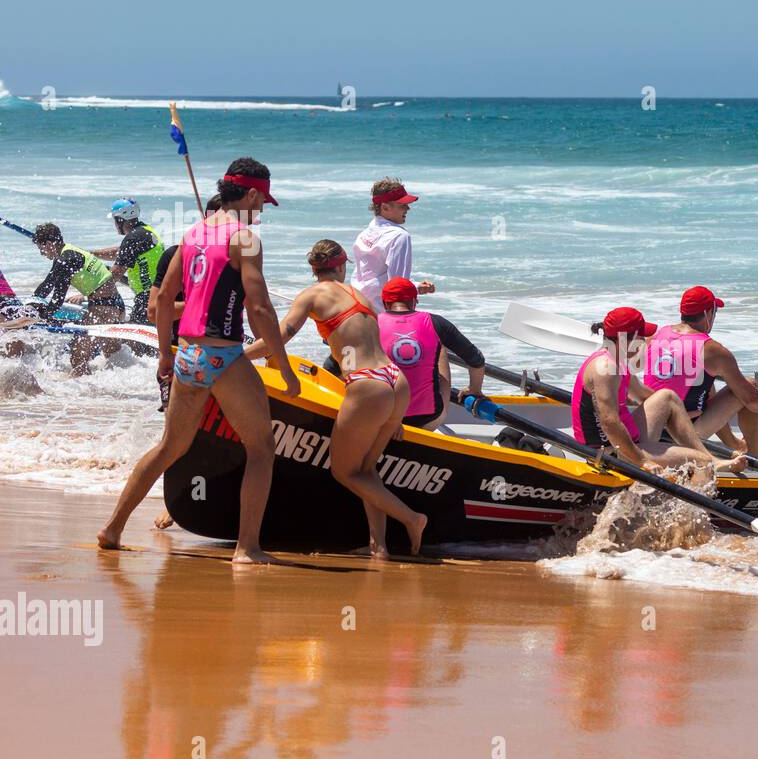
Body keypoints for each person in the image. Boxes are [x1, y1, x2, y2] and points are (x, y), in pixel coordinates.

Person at [98, 158, 298, 564]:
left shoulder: (194, 233)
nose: (261, 212)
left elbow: (161, 303)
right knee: (261, 448)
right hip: (223, 353)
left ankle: (113, 528)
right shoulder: (244, 239)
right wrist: (284, 364)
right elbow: (260, 309)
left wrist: (165, 354)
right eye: (262, 203)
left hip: (188, 354)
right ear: (253, 194)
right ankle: (247, 548)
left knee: (170, 445)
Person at [243, 241, 427, 559]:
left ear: (315, 270)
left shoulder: (313, 295)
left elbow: (280, 335)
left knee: (345, 472)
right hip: (396, 383)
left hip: (368, 386)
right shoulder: (359, 294)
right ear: (342, 267)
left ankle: (412, 518)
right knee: (367, 470)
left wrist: (238, 356)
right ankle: (378, 546)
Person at [572, 306, 745, 483]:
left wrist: (679, 414)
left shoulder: (616, 361)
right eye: (640, 337)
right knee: (698, 462)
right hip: (611, 452)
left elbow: (643, 395)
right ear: (626, 338)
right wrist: (642, 461)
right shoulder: (604, 369)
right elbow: (609, 422)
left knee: (667, 396)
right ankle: (708, 463)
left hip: (625, 441)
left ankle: (711, 460)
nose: (643, 342)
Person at [643, 286, 758, 459]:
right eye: (715, 311)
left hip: (650, 427)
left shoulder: (656, 336)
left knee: (706, 385)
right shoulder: (712, 350)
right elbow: (750, 399)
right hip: (681, 434)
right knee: (749, 386)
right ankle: (756, 451)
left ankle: (734, 444)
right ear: (708, 313)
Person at [147, 195, 223, 412]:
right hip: (180, 352)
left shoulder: (235, 258)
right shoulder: (177, 255)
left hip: (220, 355)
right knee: (176, 430)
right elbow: (154, 312)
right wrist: (198, 302)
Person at [378, 276, 485, 428]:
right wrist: (474, 389)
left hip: (380, 416)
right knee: (438, 345)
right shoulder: (436, 322)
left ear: (384, 303)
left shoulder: (370, 324)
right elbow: (476, 359)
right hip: (427, 417)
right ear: (415, 301)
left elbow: (339, 365)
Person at [30, 222, 125, 373]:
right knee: (115, 358)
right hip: (114, 304)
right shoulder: (68, 252)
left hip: (102, 309)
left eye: (41, 249)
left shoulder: (66, 260)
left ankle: (82, 391)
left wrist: (40, 317)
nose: (42, 254)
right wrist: (31, 303)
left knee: (77, 357)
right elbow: (47, 284)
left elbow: (57, 299)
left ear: (48, 244)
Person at [351, 178, 434, 308]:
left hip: (357, 304)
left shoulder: (365, 233)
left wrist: (415, 286)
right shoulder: (399, 236)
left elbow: (372, 277)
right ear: (385, 207)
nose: (408, 208)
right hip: (380, 311)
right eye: (402, 205)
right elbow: (397, 285)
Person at [108, 198, 166, 324]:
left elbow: (116, 274)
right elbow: (120, 253)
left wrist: (89, 293)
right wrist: (91, 253)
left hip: (147, 298)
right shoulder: (144, 230)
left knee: (132, 342)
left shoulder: (133, 238)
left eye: (115, 220)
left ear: (120, 219)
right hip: (157, 292)